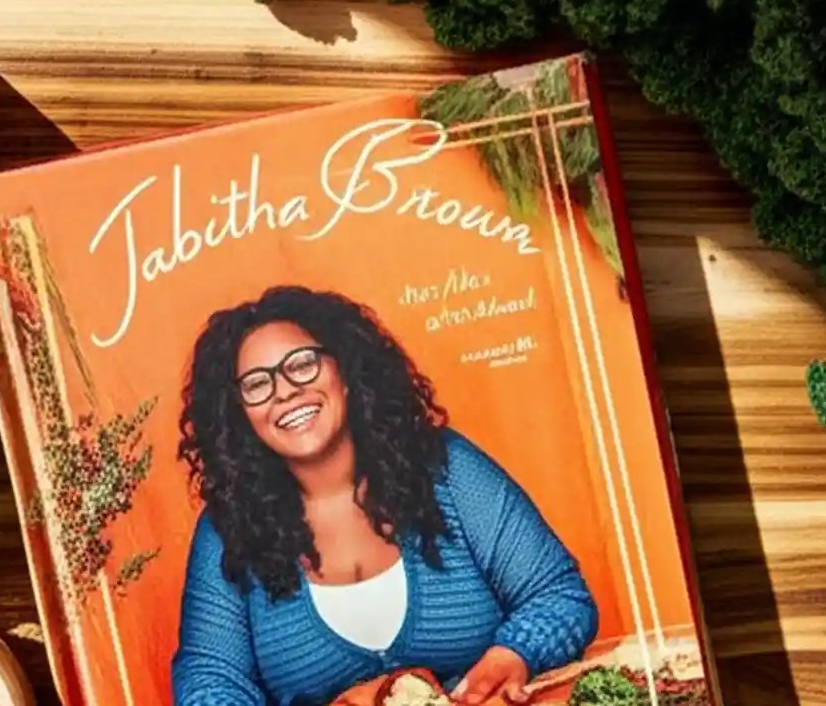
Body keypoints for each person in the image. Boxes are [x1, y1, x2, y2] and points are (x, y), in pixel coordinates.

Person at [171, 285, 598, 706]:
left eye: (302, 365)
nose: (284, 391)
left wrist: (515, 653)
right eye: (256, 384)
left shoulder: (446, 469)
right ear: (240, 415)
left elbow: (559, 595)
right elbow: (210, 680)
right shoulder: (227, 529)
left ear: (347, 373)